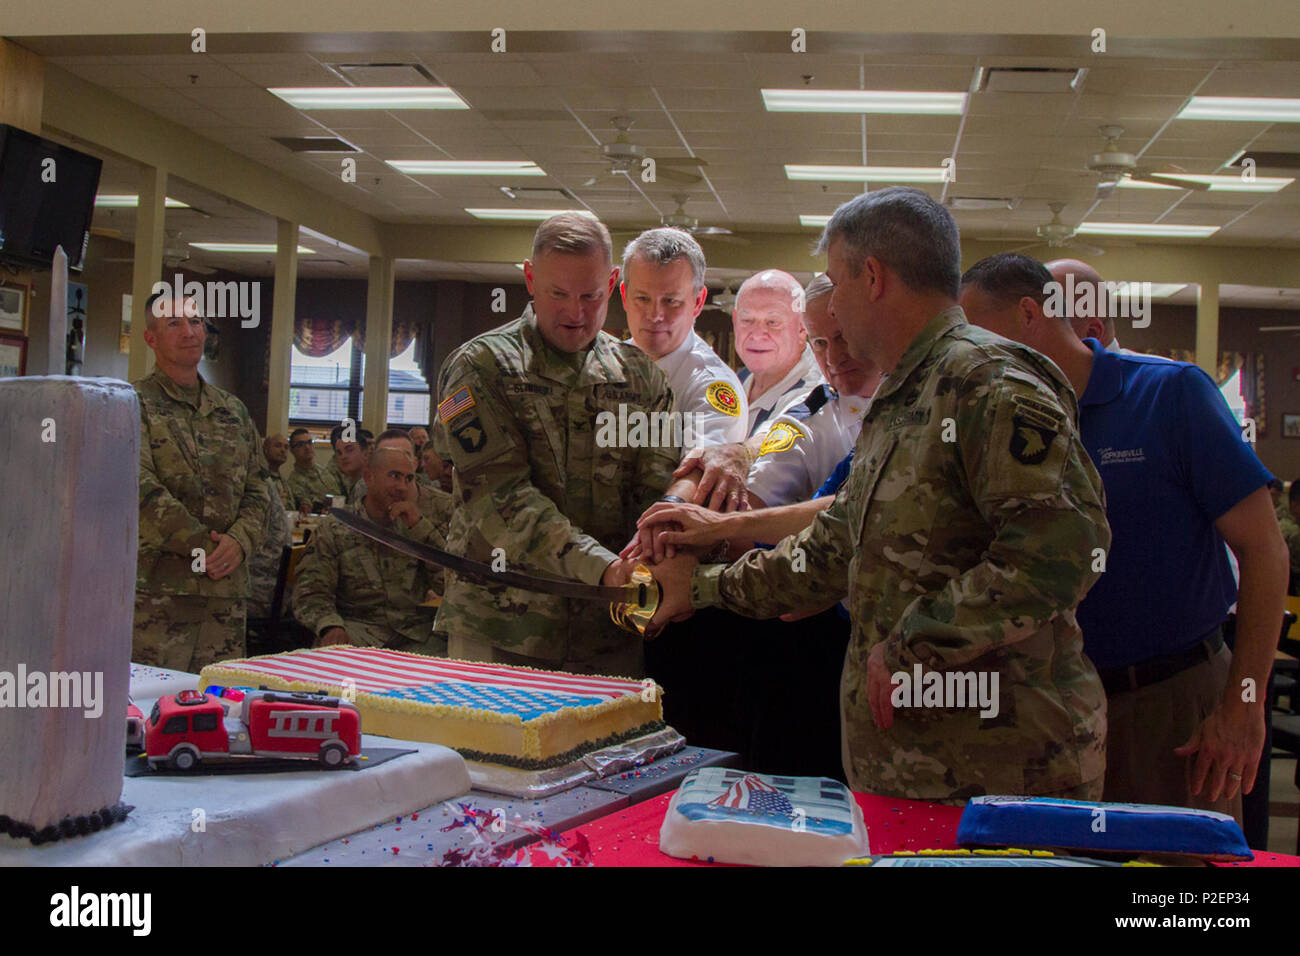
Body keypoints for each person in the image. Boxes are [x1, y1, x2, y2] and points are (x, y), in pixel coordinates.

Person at [647, 187, 1111, 803]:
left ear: (873, 277)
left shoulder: (987, 382)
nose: (833, 308)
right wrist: (700, 591)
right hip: (915, 767)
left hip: (1003, 766)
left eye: (836, 285)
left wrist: (914, 641)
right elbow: (838, 545)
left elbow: (1065, 549)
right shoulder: (907, 393)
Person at [959, 252, 1286, 817]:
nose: (969, 359)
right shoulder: (999, 419)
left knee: (1172, 895)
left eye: (978, 337)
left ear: (1030, 315)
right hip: (1045, 705)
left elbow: (1265, 551)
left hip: (1168, 703)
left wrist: (1244, 703)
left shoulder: (1168, 395)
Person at [431, 212, 692, 677]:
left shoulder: (642, 377)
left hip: (609, 629)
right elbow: (502, 499)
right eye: (558, 294)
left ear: (613, 283)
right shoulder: (479, 368)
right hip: (503, 631)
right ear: (530, 279)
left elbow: (656, 490)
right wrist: (604, 568)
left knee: (606, 751)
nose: (576, 313)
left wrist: (653, 569)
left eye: (591, 296)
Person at [133, 291, 269, 672]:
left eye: (195, 322)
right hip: (161, 599)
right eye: (173, 323)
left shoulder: (233, 411)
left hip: (224, 598)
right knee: (151, 712)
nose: (189, 331)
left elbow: (259, 489)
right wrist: (203, 550)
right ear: (151, 338)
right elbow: (137, 489)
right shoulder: (133, 404)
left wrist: (239, 543)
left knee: (219, 710)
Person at [292, 446, 446, 654]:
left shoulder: (416, 526)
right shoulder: (336, 528)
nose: (402, 487)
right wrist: (330, 626)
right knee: (329, 660)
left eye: (409, 479)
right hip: (356, 631)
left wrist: (421, 528)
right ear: (368, 477)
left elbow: (449, 584)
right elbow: (310, 592)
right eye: (394, 476)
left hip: (414, 634)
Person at [733, 269, 825, 438]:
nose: (757, 334)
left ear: (802, 328)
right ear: (734, 320)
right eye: (747, 320)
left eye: (772, 322)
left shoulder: (815, 393)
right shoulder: (737, 380)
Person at [285, 427, 331, 514]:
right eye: (300, 444)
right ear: (292, 450)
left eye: (309, 442)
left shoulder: (326, 472)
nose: (307, 447)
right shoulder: (293, 483)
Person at [323, 423, 366, 500]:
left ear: (365, 453)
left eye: (349, 450)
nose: (343, 456)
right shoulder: (352, 482)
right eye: (339, 453)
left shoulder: (368, 484)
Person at [262, 433, 291, 508]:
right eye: (278, 446)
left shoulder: (282, 480)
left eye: (286, 447)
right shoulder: (260, 477)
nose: (283, 450)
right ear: (266, 449)